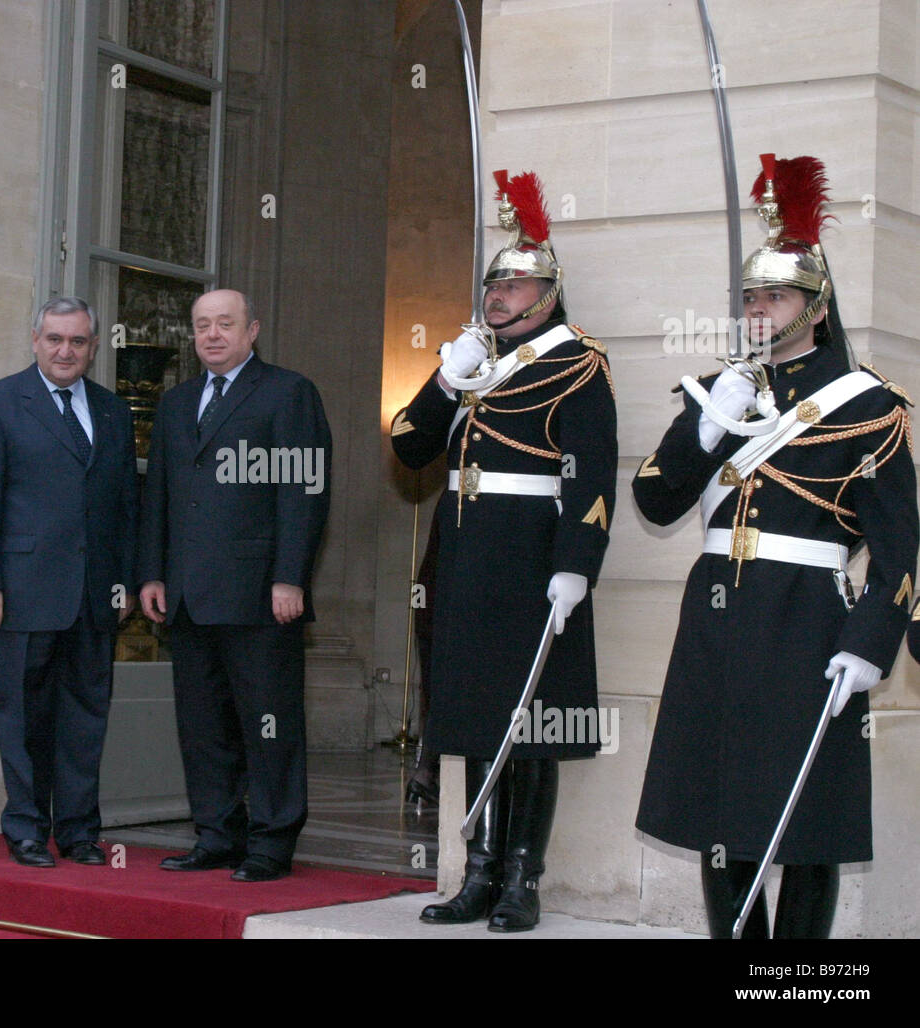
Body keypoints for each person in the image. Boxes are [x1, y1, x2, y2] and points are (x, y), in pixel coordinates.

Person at [634, 154, 917, 938]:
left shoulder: (868, 408)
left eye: (777, 295)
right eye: (751, 296)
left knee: (807, 818)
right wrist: (707, 427)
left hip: (807, 623)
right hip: (718, 617)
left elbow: (899, 549)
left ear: (815, 307)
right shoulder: (721, 392)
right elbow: (654, 498)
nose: (760, 308)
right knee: (720, 805)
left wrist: (871, 644)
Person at [392, 170, 618, 930]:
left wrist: (574, 566)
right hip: (463, 561)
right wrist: (446, 378)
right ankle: (478, 873)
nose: (500, 295)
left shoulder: (577, 364)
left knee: (532, 726)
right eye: (495, 284)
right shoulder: (473, 363)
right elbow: (409, 446)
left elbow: (589, 474)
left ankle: (523, 878)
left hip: (530, 561)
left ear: (548, 296)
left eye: (517, 287)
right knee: (477, 725)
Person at [138, 289, 331, 882]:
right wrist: (152, 570)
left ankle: (272, 841)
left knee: (268, 722)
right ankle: (217, 834)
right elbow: (159, 496)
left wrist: (289, 577)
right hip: (188, 595)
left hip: (259, 594)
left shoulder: (287, 392)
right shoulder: (175, 403)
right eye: (202, 326)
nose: (213, 335)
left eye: (225, 324)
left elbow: (305, 490)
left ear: (252, 330)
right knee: (202, 725)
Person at [0, 297, 138, 868]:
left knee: (86, 716)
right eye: (55, 339)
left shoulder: (113, 411)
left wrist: (127, 582)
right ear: (35, 340)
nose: (66, 351)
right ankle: (27, 828)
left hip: (94, 593)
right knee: (24, 715)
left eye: (78, 342)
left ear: (92, 346)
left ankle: (81, 830)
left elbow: (126, 506)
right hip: (21, 590)